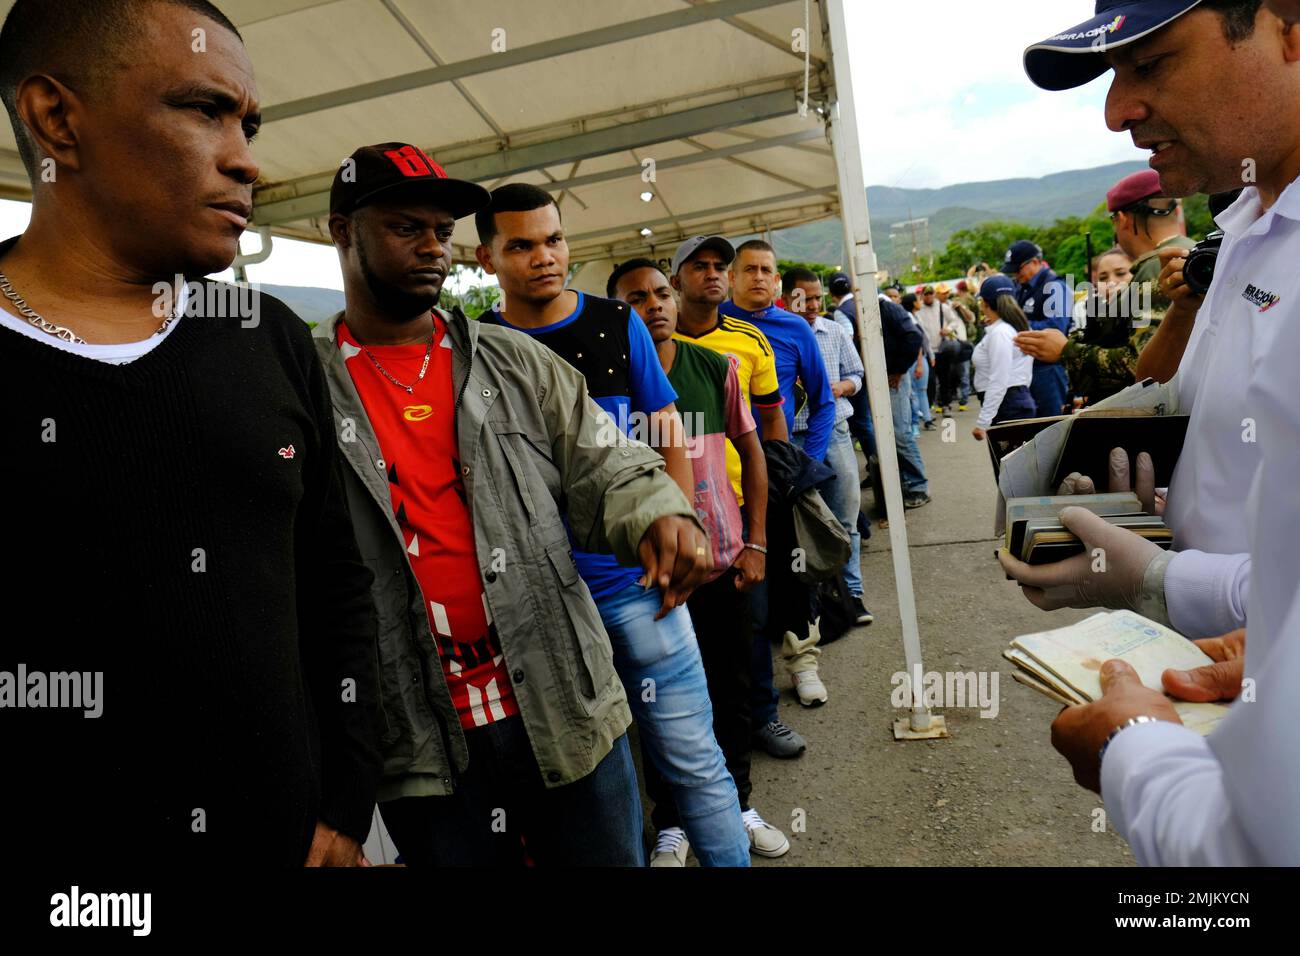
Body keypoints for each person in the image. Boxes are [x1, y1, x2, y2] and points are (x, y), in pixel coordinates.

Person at [0, 0, 383, 866]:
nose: (246, 159)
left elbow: (334, 583)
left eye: (248, 123)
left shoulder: (268, 339)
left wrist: (344, 806)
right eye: (205, 109)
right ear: (57, 118)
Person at [1015, 0, 1300, 863]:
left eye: (1154, 63)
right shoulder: (1244, 233)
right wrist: (1153, 522)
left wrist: (1132, 748)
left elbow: (1256, 848)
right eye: (1113, 73)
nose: (1117, 110)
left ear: (1290, 28)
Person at [474, 184, 747, 866]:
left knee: (694, 759)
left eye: (554, 239)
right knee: (594, 781)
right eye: (522, 245)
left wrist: (677, 525)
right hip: (545, 605)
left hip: (636, 587)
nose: (544, 257)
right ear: (486, 257)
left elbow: (667, 431)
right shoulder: (478, 348)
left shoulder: (616, 323)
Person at [609, 259, 790, 863]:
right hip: (647, 580)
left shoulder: (714, 367)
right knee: (659, 705)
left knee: (731, 694)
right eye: (636, 299)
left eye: (661, 293)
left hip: (722, 565)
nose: (654, 306)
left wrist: (756, 543)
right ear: (617, 314)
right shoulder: (604, 382)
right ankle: (673, 822)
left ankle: (738, 806)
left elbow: (753, 452)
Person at [666, 236, 808, 758]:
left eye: (719, 266)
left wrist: (776, 490)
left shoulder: (749, 341)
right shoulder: (650, 341)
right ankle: (704, 731)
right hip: (671, 510)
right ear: (675, 279)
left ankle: (762, 717)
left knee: (751, 617)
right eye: (698, 266)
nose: (712, 274)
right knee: (684, 623)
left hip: (741, 506)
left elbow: (771, 420)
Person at [719, 241, 839, 723]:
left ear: (777, 281)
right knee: (742, 581)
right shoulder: (711, 326)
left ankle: (803, 662)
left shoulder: (794, 328)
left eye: (766, 270)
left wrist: (801, 465)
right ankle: (750, 682)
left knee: (795, 571)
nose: (758, 278)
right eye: (749, 269)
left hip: (778, 473)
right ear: (731, 277)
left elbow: (823, 401)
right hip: (721, 478)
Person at [785, 268, 874, 626]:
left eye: (816, 298)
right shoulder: (773, 333)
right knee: (801, 522)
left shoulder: (834, 331)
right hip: (791, 440)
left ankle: (852, 594)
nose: (811, 305)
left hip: (835, 430)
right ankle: (814, 602)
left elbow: (857, 375)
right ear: (785, 298)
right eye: (803, 298)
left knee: (844, 515)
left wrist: (840, 387)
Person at [1018, 245, 1149, 406]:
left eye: (1121, 273)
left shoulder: (1146, 312)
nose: (1111, 282)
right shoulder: (1099, 314)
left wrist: (1067, 350)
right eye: (1102, 278)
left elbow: (1138, 363)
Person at [1002, 239, 1072, 417]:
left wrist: (1018, 326)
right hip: (1026, 369)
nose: (1015, 275)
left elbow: (1056, 327)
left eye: (1018, 269)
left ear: (1034, 262)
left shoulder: (1055, 287)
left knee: (1053, 422)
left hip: (1048, 370)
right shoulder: (1021, 288)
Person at [880, 290, 931, 508]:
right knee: (891, 434)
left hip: (894, 379)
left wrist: (899, 369)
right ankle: (905, 483)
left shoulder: (887, 308)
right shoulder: (876, 308)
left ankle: (918, 486)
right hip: (885, 378)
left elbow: (914, 337)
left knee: (901, 433)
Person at [968, 275, 1036, 441]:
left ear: (984, 303)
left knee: (1010, 458)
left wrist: (983, 422)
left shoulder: (1001, 333)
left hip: (1007, 405)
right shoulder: (1013, 328)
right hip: (1014, 400)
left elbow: (999, 379)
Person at [899, 292, 936, 433]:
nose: (920, 302)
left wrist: (930, 354)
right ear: (913, 303)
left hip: (920, 358)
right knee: (914, 392)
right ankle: (916, 423)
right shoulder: (908, 317)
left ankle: (926, 419)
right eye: (918, 300)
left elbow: (924, 339)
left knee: (920, 391)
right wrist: (920, 362)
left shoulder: (915, 316)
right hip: (915, 359)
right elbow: (917, 341)